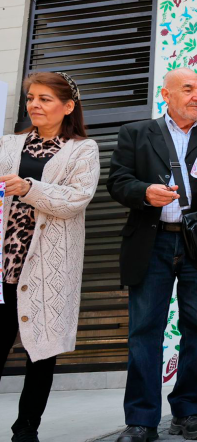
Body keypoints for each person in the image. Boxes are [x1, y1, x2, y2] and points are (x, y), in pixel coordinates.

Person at [107, 68, 197, 442]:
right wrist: (144, 193)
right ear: (166, 95)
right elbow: (117, 181)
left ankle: (189, 413)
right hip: (151, 243)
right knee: (144, 332)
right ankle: (141, 421)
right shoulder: (135, 133)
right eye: (189, 89)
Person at [0, 72, 100, 442]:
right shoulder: (8, 145)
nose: (34, 105)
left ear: (68, 106)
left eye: (44, 98)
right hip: (4, 267)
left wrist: (29, 188)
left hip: (48, 266)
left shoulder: (82, 150)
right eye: (30, 98)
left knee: (40, 353)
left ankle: (26, 428)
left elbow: (75, 200)